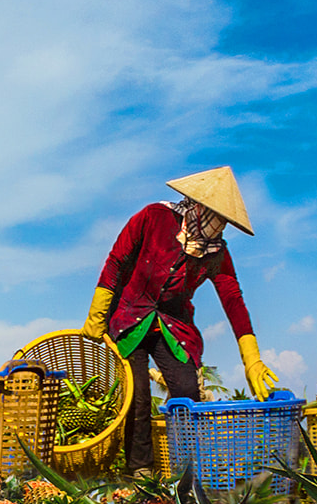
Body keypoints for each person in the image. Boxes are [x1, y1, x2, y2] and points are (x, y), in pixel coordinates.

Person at [81, 166, 280, 472]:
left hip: (173, 326)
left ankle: (186, 470)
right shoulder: (152, 218)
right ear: (197, 205)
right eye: (214, 215)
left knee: (187, 389)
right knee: (137, 398)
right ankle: (140, 471)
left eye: (224, 221)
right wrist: (97, 317)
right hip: (130, 316)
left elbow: (232, 299)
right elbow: (116, 261)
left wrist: (251, 357)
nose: (218, 226)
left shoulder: (216, 253)